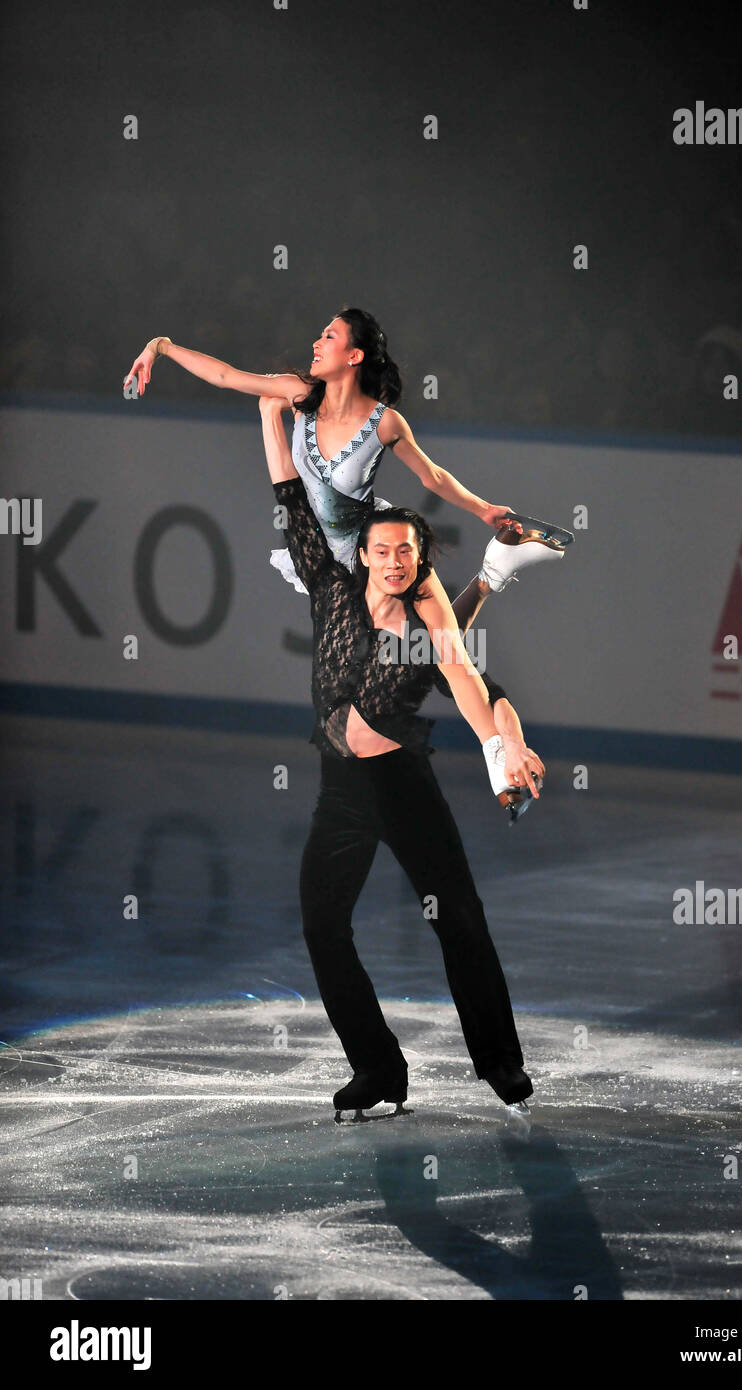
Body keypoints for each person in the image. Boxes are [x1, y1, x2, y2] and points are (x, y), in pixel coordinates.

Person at [259, 386, 545, 1118]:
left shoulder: (427, 629)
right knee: (323, 926)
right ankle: (379, 1069)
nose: (391, 560)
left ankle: (500, 1064)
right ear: (364, 554)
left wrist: (501, 744)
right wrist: (270, 409)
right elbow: (289, 494)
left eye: (405, 552)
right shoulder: (329, 586)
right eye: (381, 549)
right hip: (341, 791)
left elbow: (474, 681)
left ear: (419, 560)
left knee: (460, 920)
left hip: (402, 788)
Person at [123, 307, 571, 643]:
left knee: (430, 652)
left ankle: (493, 572)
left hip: (369, 552)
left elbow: (431, 476)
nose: (316, 344)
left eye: (329, 336)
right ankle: (495, 572)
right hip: (318, 550)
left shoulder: (385, 423)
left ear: (353, 355)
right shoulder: (298, 393)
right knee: (423, 654)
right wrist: (159, 346)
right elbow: (224, 376)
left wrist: (484, 509)